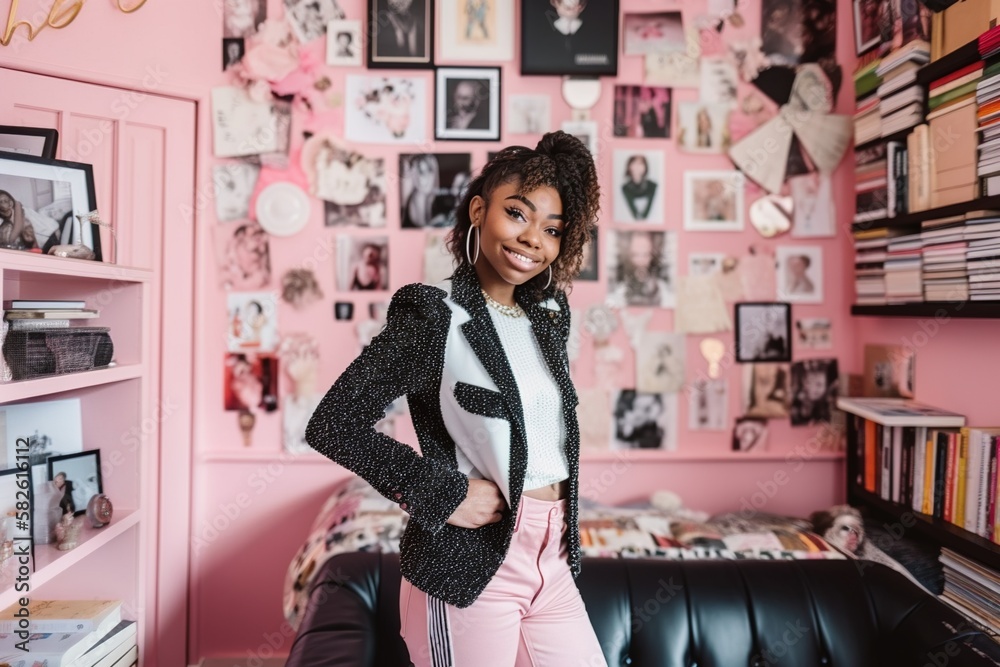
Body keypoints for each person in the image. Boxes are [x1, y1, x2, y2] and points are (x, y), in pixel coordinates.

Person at [306, 131, 606, 666]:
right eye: (517, 213)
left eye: (552, 229)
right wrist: (441, 492)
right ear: (478, 210)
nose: (533, 238)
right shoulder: (434, 315)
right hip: (468, 565)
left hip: (553, 561)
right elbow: (333, 423)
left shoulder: (548, 320)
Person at [402, 154, 439, 228]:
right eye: (421, 172)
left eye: (430, 170)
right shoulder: (405, 214)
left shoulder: (437, 205)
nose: (427, 178)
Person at [620, 155, 657, 221]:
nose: (637, 166)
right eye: (634, 163)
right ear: (629, 166)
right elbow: (633, 212)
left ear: (645, 167)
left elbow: (647, 212)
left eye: (640, 163)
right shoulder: (625, 188)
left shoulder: (652, 186)